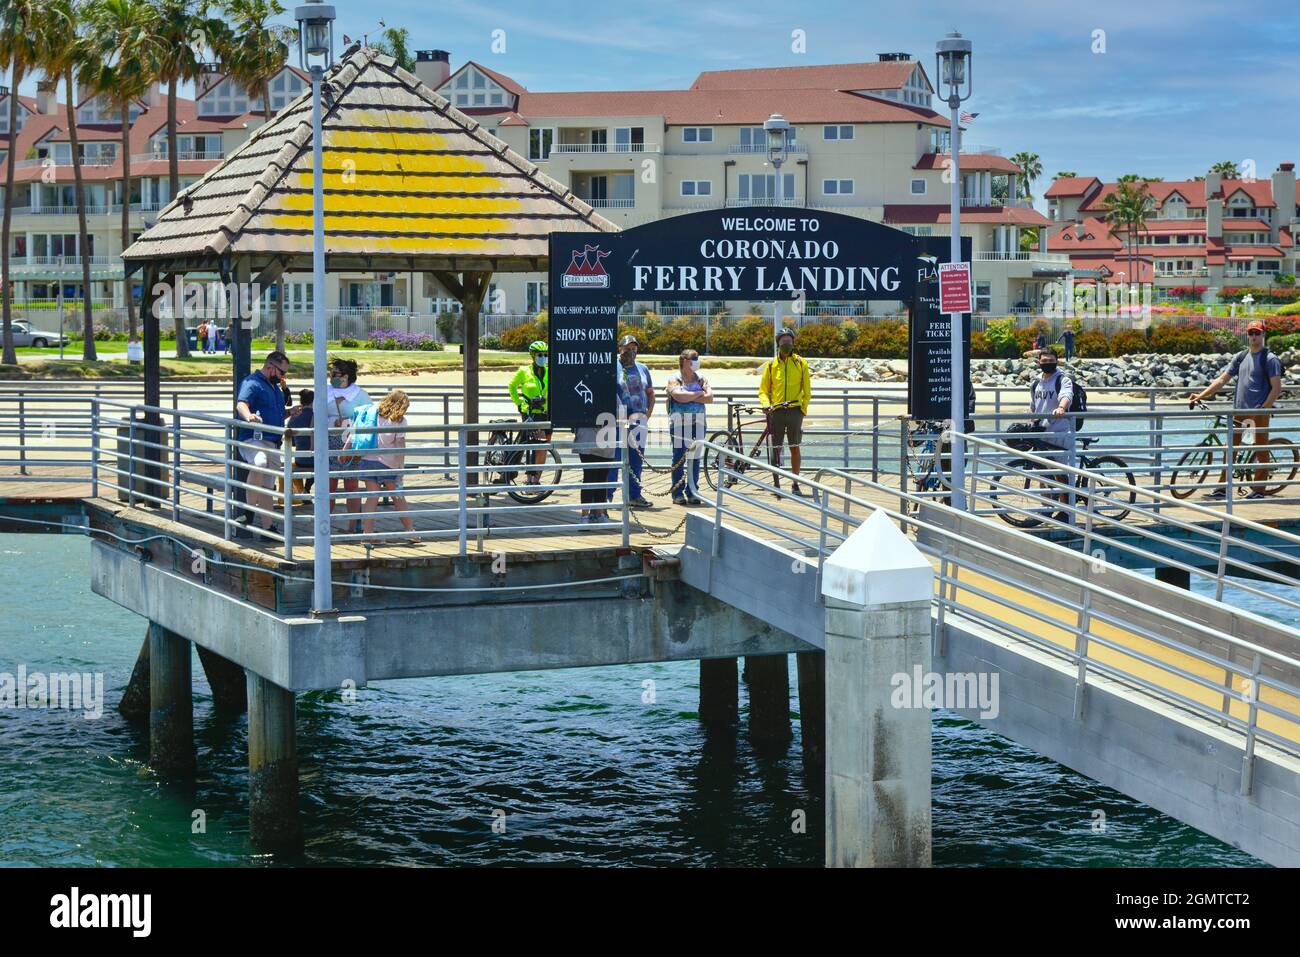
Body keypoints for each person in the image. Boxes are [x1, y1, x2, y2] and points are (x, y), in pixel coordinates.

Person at [1188, 319, 1282, 500]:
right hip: (1238, 412)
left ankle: (1259, 491)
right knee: (1230, 449)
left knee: (1261, 451)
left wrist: (1263, 410)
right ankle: (1223, 488)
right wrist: (1201, 395)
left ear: (1264, 334)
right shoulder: (1241, 356)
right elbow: (1221, 380)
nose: (1254, 336)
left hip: (1258, 412)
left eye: (1257, 333)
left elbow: (1276, 389)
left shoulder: (1269, 359)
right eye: (1251, 333)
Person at [233, 351, 289, 536]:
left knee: (268, 485)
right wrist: (248, 416)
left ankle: (267, 528)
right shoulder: (252, 382)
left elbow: (276, 414)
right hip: (253, 438)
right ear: (271, 367)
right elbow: (241, 403)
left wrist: (291, 412)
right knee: (259, 463)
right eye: (282, 372)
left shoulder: (275, 389)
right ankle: (248, 513)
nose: (283, 377)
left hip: (273, 441)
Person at [356, 390, 418, 542]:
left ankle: (367, 534)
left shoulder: (373, 413)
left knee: (372, 497)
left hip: (367, 461)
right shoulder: (399, 420)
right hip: (389, 464)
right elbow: (399, 446)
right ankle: (410, 532)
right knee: (398, 496)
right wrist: (400, 469)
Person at [759, 327, 812, 496]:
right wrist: (766, 404)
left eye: (789, 341)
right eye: (783, 342)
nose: (786, 345)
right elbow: (763, 390)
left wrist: (802, 409)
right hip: (776, 411)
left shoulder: (801, 363)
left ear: (793, 343)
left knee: (794, 447)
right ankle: (776, 484)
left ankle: (795, 483)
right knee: (776, 447)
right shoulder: (771, 365)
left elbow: (807, 390)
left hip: (795, 411)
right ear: (778, 345)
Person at [1028, 347, 1077, 520]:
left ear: (1057, 361)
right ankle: (1046, 509)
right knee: (1042, 472)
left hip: (1060, 431)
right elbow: (1033, 406)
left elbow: (1066, 395)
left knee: (1061, 473)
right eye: (1044, 361)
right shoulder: (1036, 382)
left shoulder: (1062, 379)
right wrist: (1031, 421)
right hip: (1041, 432)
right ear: (1039, 362)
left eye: (1051, 361)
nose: (1048, 364)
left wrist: (1061, 407)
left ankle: (1066, 511)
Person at [327, 357, 371, 531]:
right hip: (328, 441)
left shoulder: (359, 394)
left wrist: (348, 422)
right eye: (331, 373)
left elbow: (368, 417)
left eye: (336, 374)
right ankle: (325, 524)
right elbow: (317, 415)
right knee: (328, 484)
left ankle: (354, 525)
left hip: (349, 441)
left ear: (346, 376)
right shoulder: (326, 391)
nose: (332, 377)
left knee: (351, 484)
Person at [665, 348, 712, 506]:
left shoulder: (701, 378)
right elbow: (678, 396)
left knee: (695, 458)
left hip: (699, 422)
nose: (697, 360)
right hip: (679, 423)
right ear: (685, 360)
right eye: (694, 358)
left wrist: (689, 396)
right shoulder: (674, 379)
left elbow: (710, 398)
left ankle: (692, 491)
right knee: (678, 457)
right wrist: (699, 394)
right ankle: (677, 492)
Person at [617, 334, 655, 508]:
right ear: (620, 349)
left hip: (639, 420)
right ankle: (607, 497)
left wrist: (648, 414)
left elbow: (650, 393)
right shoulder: (614, 367)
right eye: (628, 347)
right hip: (617, 421)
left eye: (634, 348)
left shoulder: (643, 368)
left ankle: (634, 495)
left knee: (636, 461)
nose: (631, 351)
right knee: (615, 459)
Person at [507, 340, 551, 483]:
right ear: (533, 355)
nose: (543, 357)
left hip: (546, 412)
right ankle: (528, 476)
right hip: (530, 412)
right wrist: (518, 403)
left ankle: (536, 478)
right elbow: (512, 386)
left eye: (545, 354)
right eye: (540, 354)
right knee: (532, 443)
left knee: (544, 445)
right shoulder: (524, 371)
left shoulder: (550, 371)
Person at [573, 421, 617, 524]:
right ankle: (584, 516)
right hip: (587, 439)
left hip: (607, 440)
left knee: (602, 479)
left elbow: (621, 413)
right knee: (589, 478)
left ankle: (600, 514)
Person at [284, 388, 314, 495]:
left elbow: (292, 443)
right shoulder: (317, 416)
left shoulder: (293, 418)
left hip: (299, 459)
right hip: (314, 460)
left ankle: (302, 490)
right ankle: (307, 488)